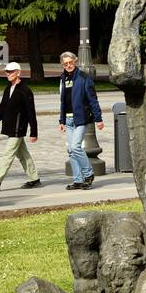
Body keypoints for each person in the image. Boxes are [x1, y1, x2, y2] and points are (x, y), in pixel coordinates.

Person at [0, 61, 41, 190]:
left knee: (8, 153)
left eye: (11, 72)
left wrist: (34, 132)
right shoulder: (8, 88)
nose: (8, 74)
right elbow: (2, 108)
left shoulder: (25, 90)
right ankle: (34, 178)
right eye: (7, 72)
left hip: (19, 128)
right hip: (10, 127)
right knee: (23, 154)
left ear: (18, 72)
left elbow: (31, 113)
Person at [59, 51, 104, 191]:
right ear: (62, 65)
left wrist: (98, 119)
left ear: (75, 61)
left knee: (75, 147)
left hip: (81, 119)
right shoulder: (63, 78)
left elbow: (93, 99)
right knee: (71, 151)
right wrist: (61, 120)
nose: (68, 65)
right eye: (65, 63)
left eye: (70, 62)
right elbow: (63, 101)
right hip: (68, 119)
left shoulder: (84, 78)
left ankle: (88, 174)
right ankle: (78, 180)